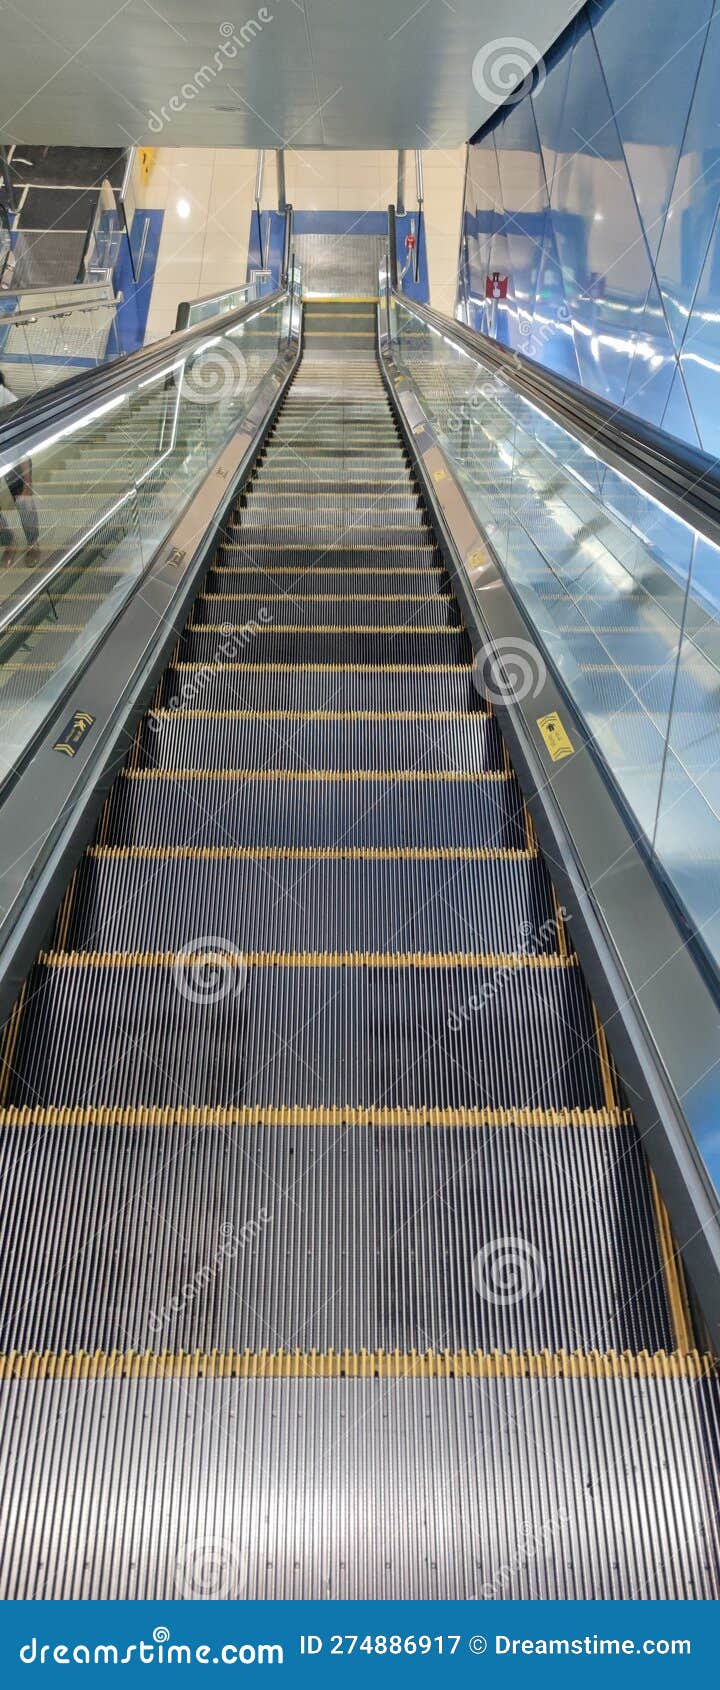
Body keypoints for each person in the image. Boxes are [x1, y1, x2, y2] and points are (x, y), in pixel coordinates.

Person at [0, 370, 39, 558]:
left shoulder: (4, 395)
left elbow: (22, 436)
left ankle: (33, 543)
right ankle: (9, 542)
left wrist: (27, 480)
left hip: (12, 458)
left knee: (24, 501)